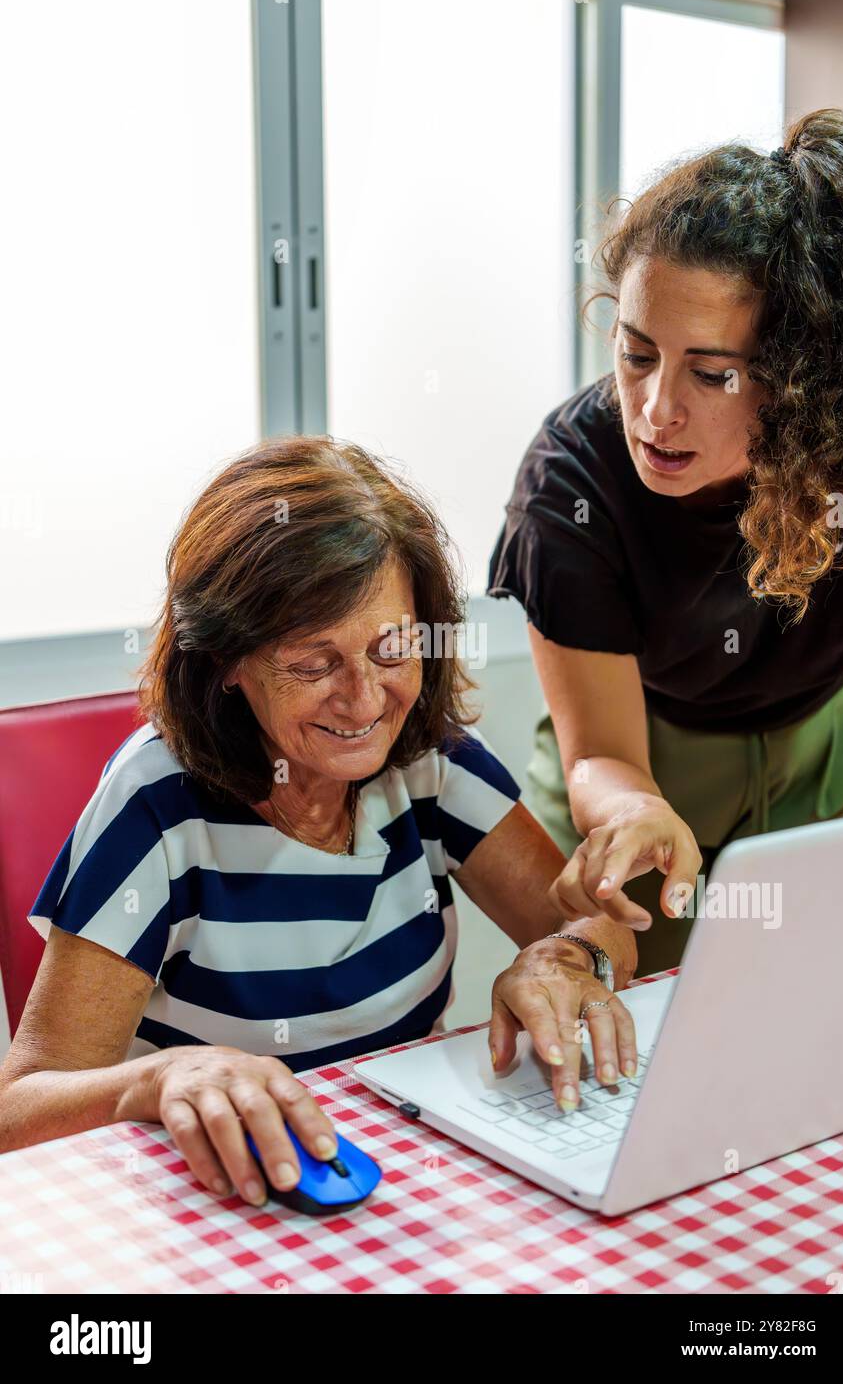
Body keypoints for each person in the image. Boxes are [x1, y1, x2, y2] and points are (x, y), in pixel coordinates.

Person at [0, 436, 636, 1206]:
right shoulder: (156, 805)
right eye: (313, 663)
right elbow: (18, 1113)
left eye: (393, 648)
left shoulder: (428, 760)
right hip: (208, 1206)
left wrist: (564, 958)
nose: (365, 700)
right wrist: (160, 1077)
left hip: (402, 1187)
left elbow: (598, 927)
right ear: (227, 661)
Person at [488, 108, 843, 976]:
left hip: (833, 731)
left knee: (819, 1012)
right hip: (643, 762)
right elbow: (601, 754)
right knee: (621, 1031)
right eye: (635, 352)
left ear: (807, 378)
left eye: (711, 373)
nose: (657, 410)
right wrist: (631, 816)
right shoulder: (569, 488)